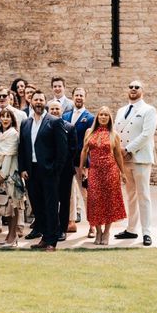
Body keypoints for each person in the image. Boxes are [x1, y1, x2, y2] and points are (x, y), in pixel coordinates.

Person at [19, 92, 68, 251]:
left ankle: (52, 242)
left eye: (41, 99)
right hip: (31, 171)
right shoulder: (26, 123)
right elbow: (23, 147)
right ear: (31, 102)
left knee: (51, 207)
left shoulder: (54, 122)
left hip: (48, 171)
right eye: (36, 99)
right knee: (38, 207)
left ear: (45, 102)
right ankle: (44, 237)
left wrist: (55, 170)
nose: (38, 102)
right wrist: (23, 168)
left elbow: (62, 150)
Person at [113, 80, 157, 246]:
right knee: (130, 195)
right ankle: (131, 229)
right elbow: (116, 133)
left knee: (143, 195)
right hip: (124, 158)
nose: (133, 89)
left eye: (136, 87)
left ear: (142, 91)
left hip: (140, 158)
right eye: (130, 86)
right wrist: (118, 151)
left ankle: (146, 232)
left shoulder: (149, 110)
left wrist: (128, 149)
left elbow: (146, 135)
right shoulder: (121, 111)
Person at [80, 106, 128, 246]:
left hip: (110, 171)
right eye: (101, 114)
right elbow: (84, 151)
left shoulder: (114, 134)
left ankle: (107, 232)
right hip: (94, 171)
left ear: (109, 118)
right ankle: (98, 231)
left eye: (106, 115)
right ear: (97, 117)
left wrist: (123, 172)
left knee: (109, 202)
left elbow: (118, 155)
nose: (103, 117)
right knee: (94, 201)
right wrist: (83, 167)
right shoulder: (89, 132)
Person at [0, 107, 24, 245]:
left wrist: (3, 174)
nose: (5, 119)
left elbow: (9, 155)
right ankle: (9, 234)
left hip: (11, 175)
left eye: (8, 116)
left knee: (14, 207)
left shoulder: (13, 134)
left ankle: (13, 235)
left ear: (12, 119)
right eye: (3, 116)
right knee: (5, 208)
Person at [61, 88, 94, 235]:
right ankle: (71, 221)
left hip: (81, 162)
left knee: (86, 193)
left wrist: (86, 164)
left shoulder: (90, 118)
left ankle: (93, 225)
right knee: (69, 193)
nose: (79, 98)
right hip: (67, 161)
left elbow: (90, 143)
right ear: (72, 97)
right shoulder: (65, 115)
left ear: (85, 98)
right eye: (76, 95)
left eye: (81, 95)